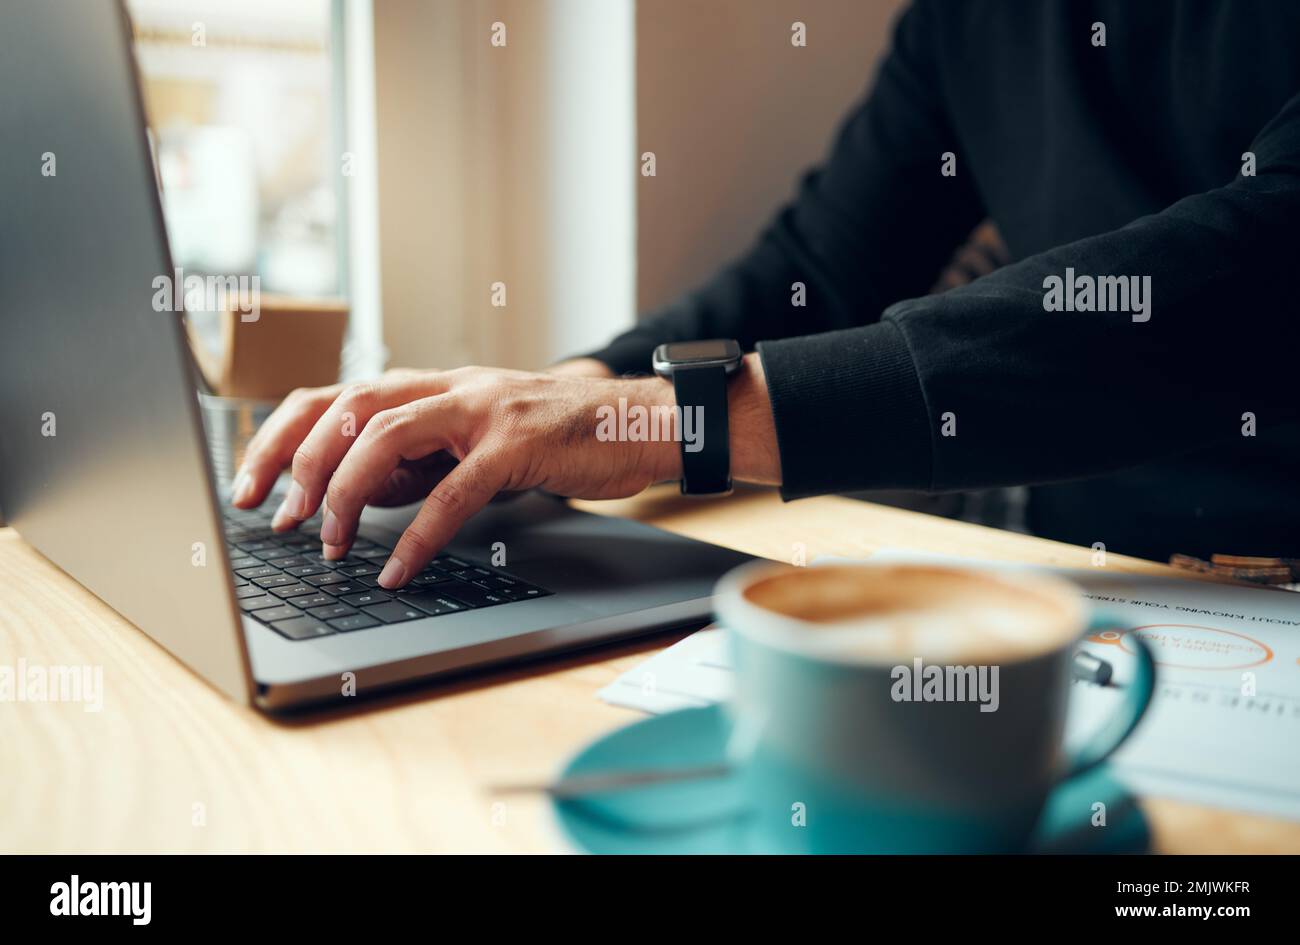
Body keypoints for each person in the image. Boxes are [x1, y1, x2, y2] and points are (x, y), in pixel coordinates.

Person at [232, 0, 1300, 589]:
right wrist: (551, 400)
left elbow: (1240, 284)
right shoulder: (964, 20)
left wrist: (664, 421)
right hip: (1103, 589)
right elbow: (818, 273)